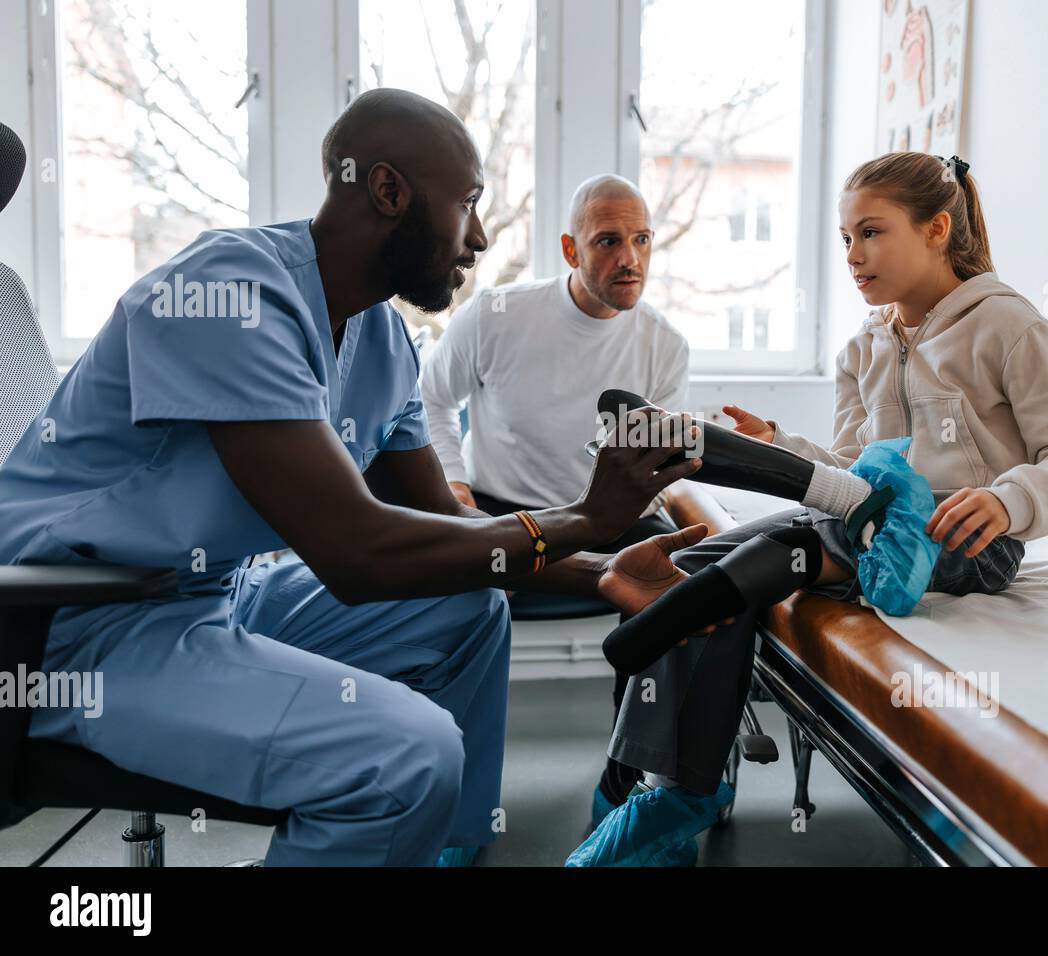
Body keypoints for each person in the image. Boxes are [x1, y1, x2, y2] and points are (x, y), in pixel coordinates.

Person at [0, 89, 707, 866]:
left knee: (469, 602)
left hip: (215, 596)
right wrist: (587, 518)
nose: (476, 236)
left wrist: (605, 572)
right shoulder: (226, 292)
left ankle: (442, 851)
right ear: (388, 191)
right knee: (405, 759)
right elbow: (355, 554)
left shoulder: (381, 339)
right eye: (467, 202)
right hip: (75, 630)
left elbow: (447, 523)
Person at [567, 151, 1048, 866]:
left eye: (871, 233)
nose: (853, 256)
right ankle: (664, 779)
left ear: (938, 229)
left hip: (965, 538)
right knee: (706, 568)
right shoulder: (866, 347)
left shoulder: (1008, 328)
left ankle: (679, 792)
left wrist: (1009, 501)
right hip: (868, 520)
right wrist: (778, 443)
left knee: (771, 559)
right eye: (845, 238)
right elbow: (850, 473)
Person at [418, 175, 690, 828]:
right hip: (500, 517)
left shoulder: (663, 345)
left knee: (680, 590)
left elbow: (660, 466)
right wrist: (456, 494)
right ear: (571, 250)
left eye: (642, 240)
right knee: (456, 601)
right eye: (608, 242)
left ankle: (626, 785)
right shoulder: (496, 316)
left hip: (608, 520)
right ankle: (456, 804)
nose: (630, 259)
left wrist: (687, 514)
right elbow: (426, 401)